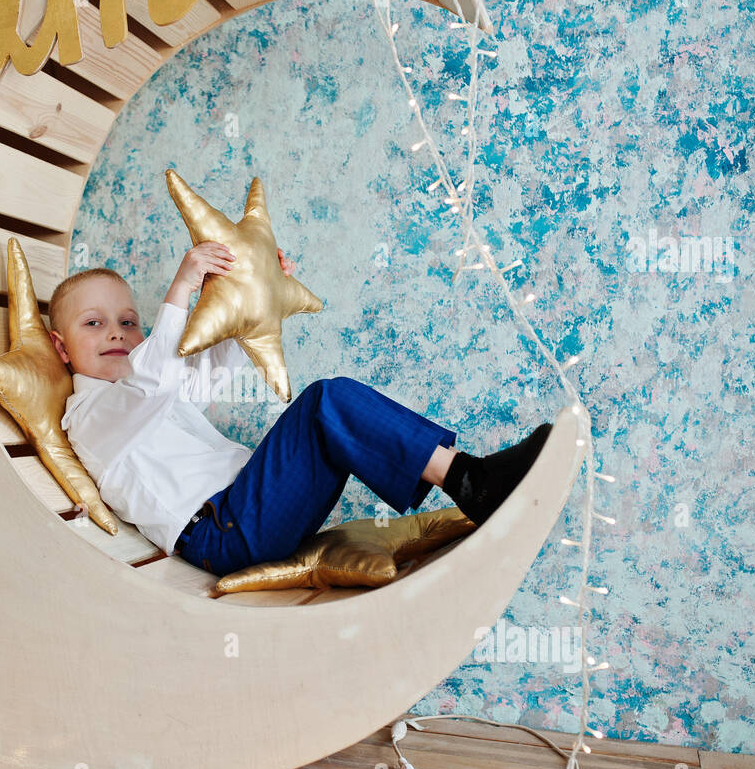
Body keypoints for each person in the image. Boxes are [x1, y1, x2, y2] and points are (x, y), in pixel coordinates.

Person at [50, 241, 551, 576]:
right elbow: (154, 380)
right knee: (324, 401)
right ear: (60, 347)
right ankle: (475, 484)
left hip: (248, 508)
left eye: (129, 321)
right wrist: (180, 287)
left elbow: (200, 374)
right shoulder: (88, 416)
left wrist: (245, 296)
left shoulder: (143, 395)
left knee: (330, 410)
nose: (117, 331)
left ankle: (475, 482)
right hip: (224, 531)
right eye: (93, 324)